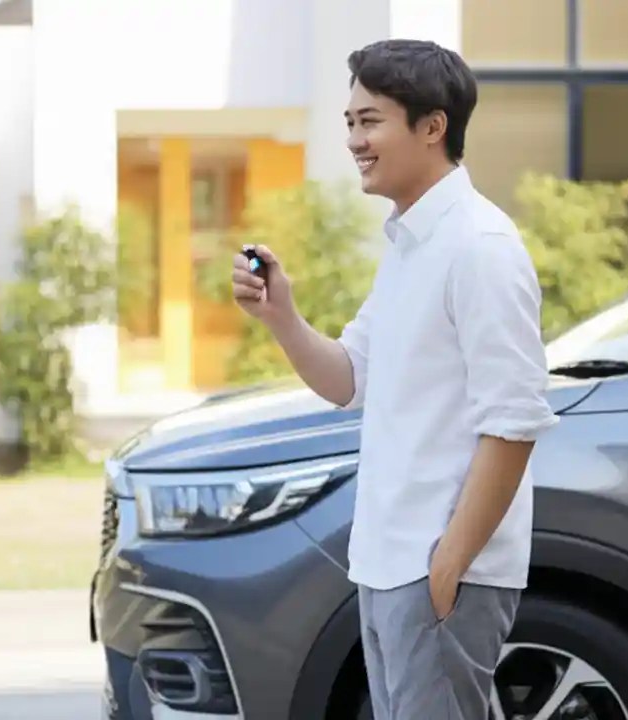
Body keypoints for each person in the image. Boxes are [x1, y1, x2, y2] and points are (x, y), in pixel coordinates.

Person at [230, 38, 557, 719]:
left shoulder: (480, 248)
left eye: (370, 120)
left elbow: (515, 422)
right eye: (350, 121)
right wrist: (281, 315)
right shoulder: (413, 243)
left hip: (438, 572)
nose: (354, 139)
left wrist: (448, 569)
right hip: (386, 566)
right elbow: (351, 379)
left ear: (432, 127)